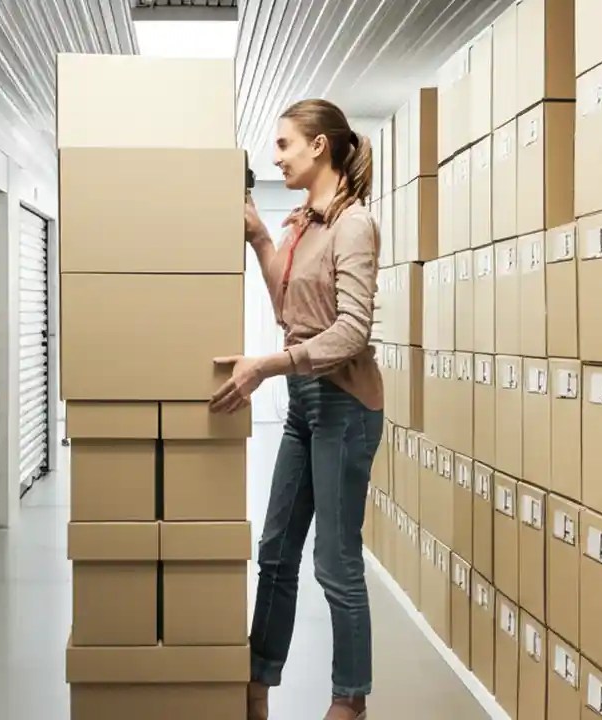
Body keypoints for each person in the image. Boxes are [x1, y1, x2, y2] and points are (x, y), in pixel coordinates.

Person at [210, 98, 384, 720]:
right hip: (305, 403)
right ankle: (258, 679)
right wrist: (260, 236)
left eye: (284, 144)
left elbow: (351, 334)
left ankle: (349, 698)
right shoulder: (302, 225)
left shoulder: (353, 225)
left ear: (320, 147)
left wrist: (266, 365)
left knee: (335, 560)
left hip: (345, 405)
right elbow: (292, 315)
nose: (276, 156)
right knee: (278, 548)